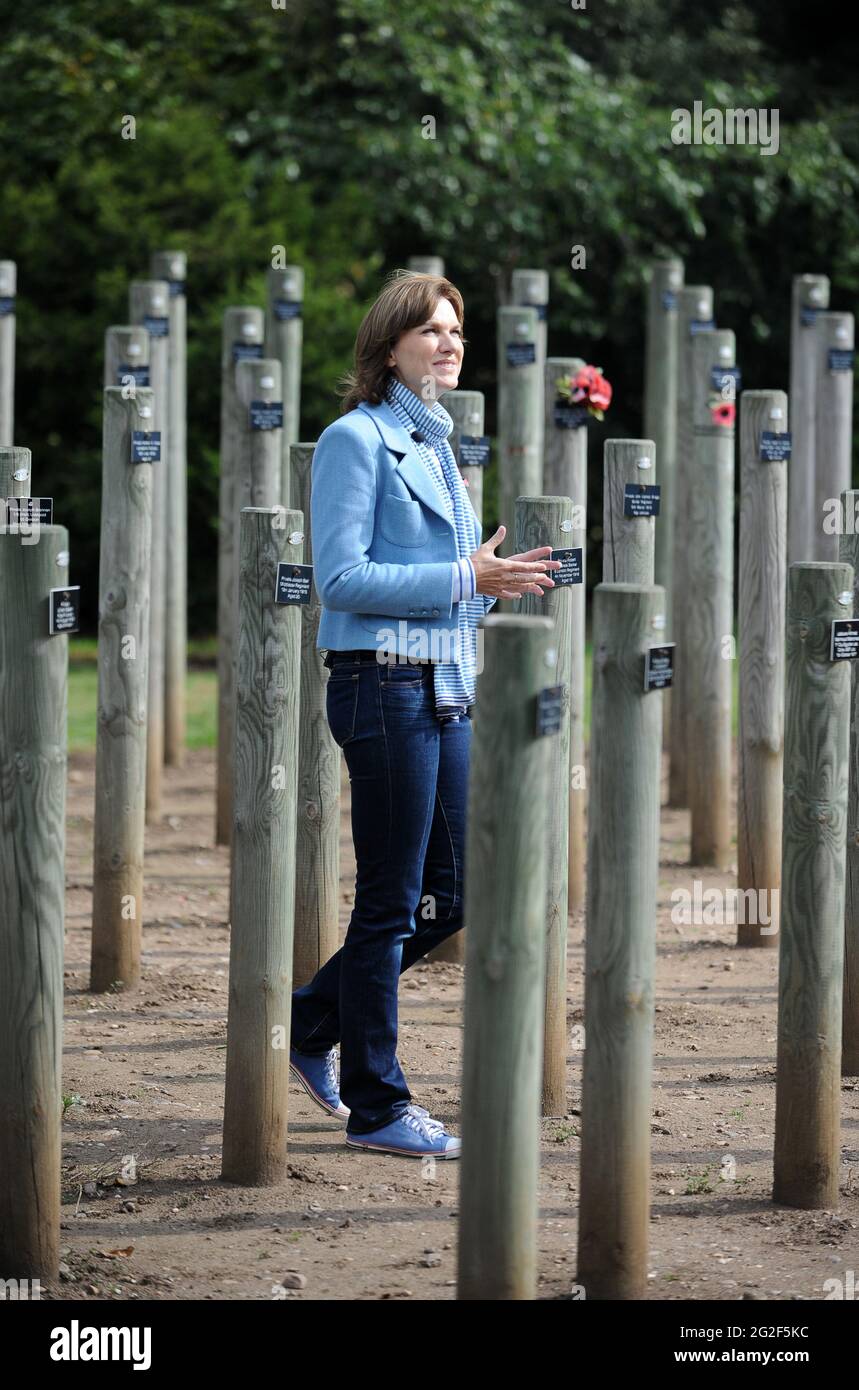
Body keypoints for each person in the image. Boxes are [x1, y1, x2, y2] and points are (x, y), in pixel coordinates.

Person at [289, 269, 559, 1159]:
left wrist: (492, 585)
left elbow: (444, 592)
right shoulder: (353, 440)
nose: (448, 344)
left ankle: (311, 1018)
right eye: (430, 331)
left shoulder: (439, 446)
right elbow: (341, 581)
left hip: (445, 687)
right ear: (389, 344)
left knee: (458, 893)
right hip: (381, 687)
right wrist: (461, 578)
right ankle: (376, 1105)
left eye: (456, 332)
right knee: (391, 900)